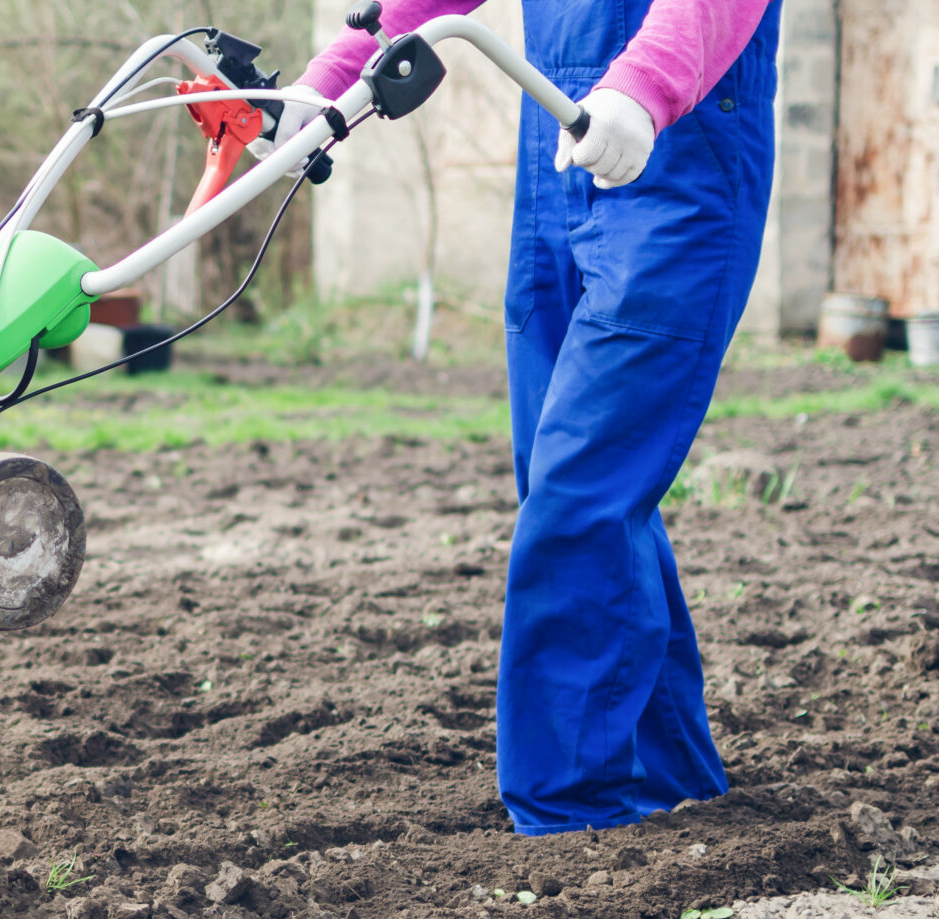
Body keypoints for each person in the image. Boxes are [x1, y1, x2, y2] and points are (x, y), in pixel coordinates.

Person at [268, 0, 779, 834]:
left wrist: (645, 86)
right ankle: (669, 782)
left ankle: (570, 817)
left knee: (581, 492)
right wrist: (328, 84)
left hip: (676, 153)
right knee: (564, 475)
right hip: (560, 148)